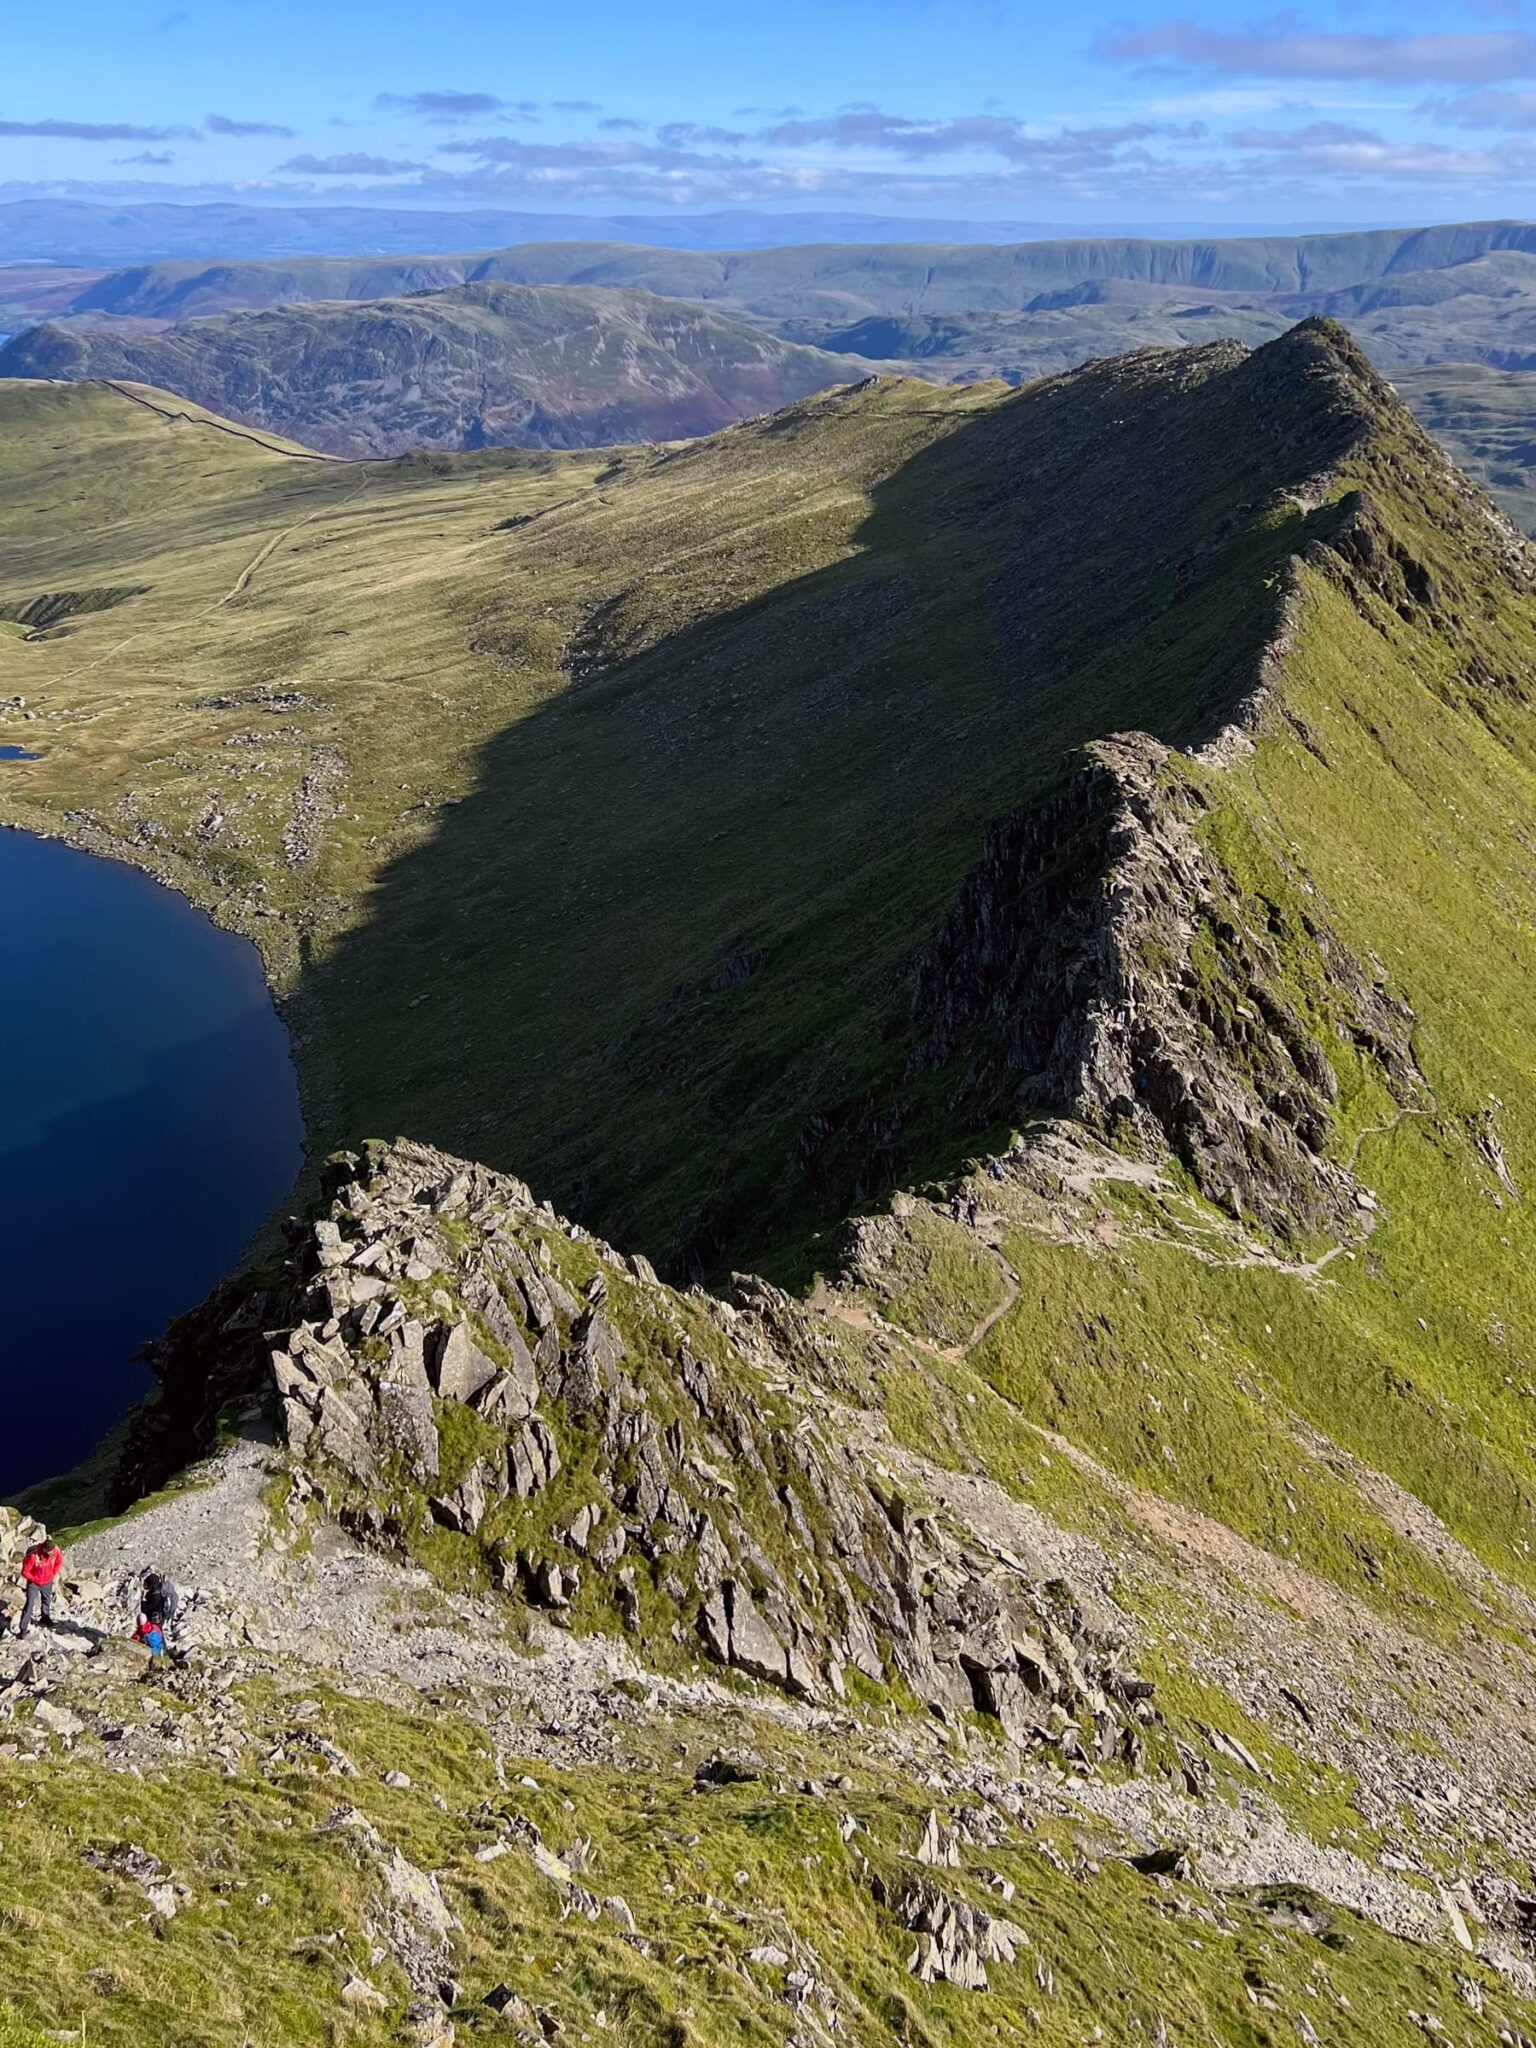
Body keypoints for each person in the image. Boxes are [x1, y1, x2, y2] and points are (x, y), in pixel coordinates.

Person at [18, 1528, 64, 1637]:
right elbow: (25, 1571)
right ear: (44, 1549)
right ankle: (23, 1629)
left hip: (47, 1582)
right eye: (49, 1552)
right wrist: (34, 1579)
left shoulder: (54, 1550)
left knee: (46, 1600)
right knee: (29, 1605)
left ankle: (45, 1618)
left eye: (52, 1552)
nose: (52, 1554)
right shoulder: (33, 1556)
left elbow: (59, 1560)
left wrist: (53, 1573)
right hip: (34, 1584)